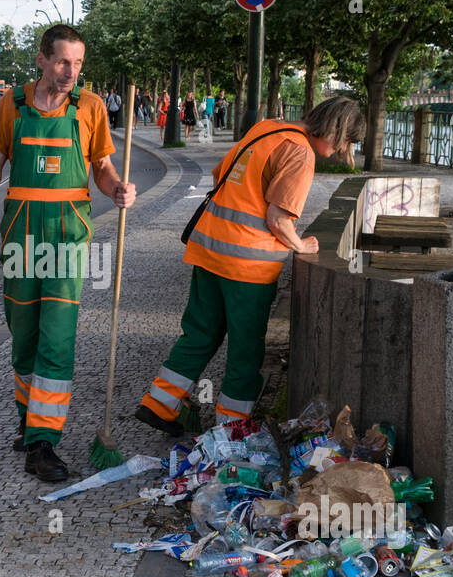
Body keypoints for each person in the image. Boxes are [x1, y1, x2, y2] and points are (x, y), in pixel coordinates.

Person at [0, 24, 137, 483]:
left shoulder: (90, 107)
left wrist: (117, 189)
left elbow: (102, 166)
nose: (70, 71)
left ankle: (42, 441)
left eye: (77, 63)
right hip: (20, 234)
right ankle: (28, 418)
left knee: (57, 335)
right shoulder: (12, 104)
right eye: (61, 62)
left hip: (69, 235)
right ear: (41, 59)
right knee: (24, 333)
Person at [136, 96, 364, 433]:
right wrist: (302, 244)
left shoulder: (268, 127)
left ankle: (159, 404)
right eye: (348, 140)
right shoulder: (300, 152)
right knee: (245, 349)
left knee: (200, 332)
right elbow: (278, 217)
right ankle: (232, 427)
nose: (347, 149)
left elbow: (221, 176)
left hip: (209, 246)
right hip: (247, 266)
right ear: (338, 130)